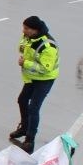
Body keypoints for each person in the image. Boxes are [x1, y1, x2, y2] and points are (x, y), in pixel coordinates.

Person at [9, 16, 59, 154]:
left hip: (45, 79)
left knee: (33, 108)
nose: (23, 31)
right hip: (32, 77)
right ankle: (24, 128)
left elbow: (46, 68)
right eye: (23, 27)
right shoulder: (28, 36)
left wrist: (26, 63)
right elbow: (22, 47)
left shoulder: (48, 46)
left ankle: (30, 140)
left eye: (26, 28)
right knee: (22, 100)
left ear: (35, 30)